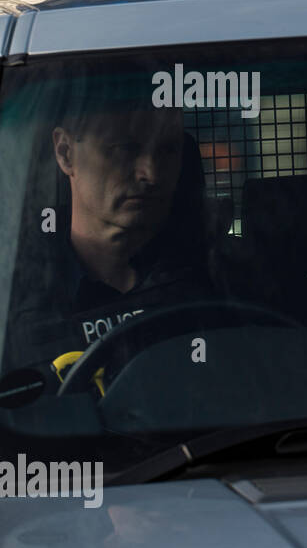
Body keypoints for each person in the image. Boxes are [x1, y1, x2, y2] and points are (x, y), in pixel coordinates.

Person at [3, 103, 213, 375]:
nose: (151, 173)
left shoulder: (221, 277)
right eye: (125, 149)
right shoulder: (12, 294)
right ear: (66, 153)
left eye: (168, 150)